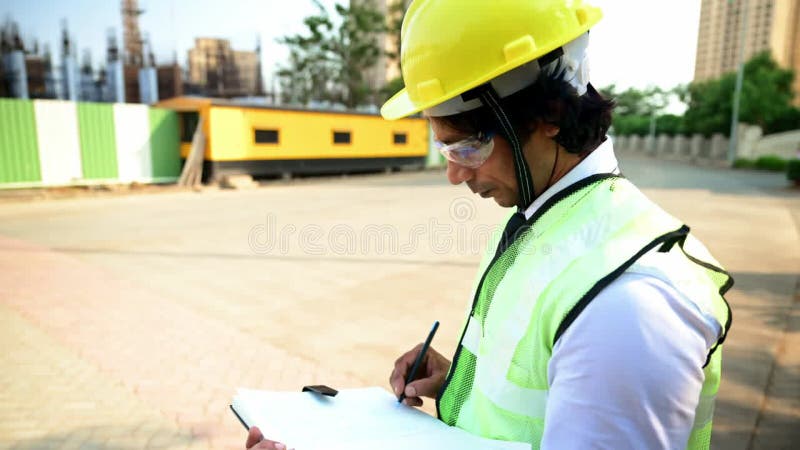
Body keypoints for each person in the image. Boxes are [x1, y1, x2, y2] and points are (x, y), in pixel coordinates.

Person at [245, 0, 732, 449]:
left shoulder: (628, 303)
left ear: (550, 114)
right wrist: (462, 383)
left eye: (467, 147)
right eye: (446, 150)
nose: (455, 174)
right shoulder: (544, 218)